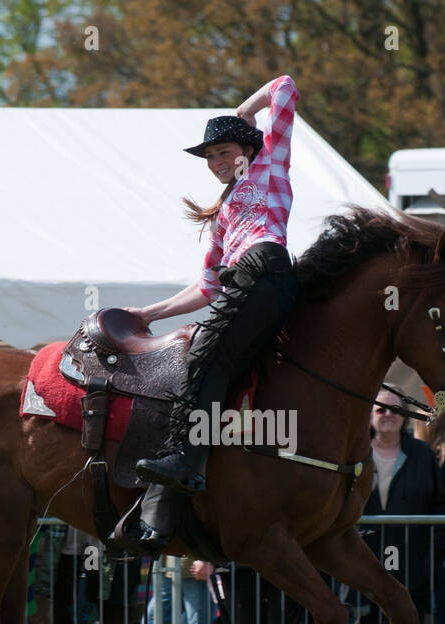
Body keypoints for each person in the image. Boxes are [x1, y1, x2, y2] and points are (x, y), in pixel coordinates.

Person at [125, 76, 301, 549]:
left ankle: (184, 459)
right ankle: (173, 494)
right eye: (210, 158)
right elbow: (206, 285)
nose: (217, 163)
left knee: (205, 352)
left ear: (247, 149)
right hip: (241, 284)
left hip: (265, 269)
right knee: (197, 359)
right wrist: (149, 313)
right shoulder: (223, 215)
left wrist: (244, 114)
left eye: (224, 152)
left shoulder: (271, 163)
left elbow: (284, 87)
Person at [346, 388, 445, 624]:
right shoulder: (353, 453)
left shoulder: (422, 455)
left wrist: (431, 554)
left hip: (412, 566)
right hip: (365, 563)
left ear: (404, 416)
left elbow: (440, 509)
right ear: (369, 414)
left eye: (394, 409)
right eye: (379, 409)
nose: (387, 414)